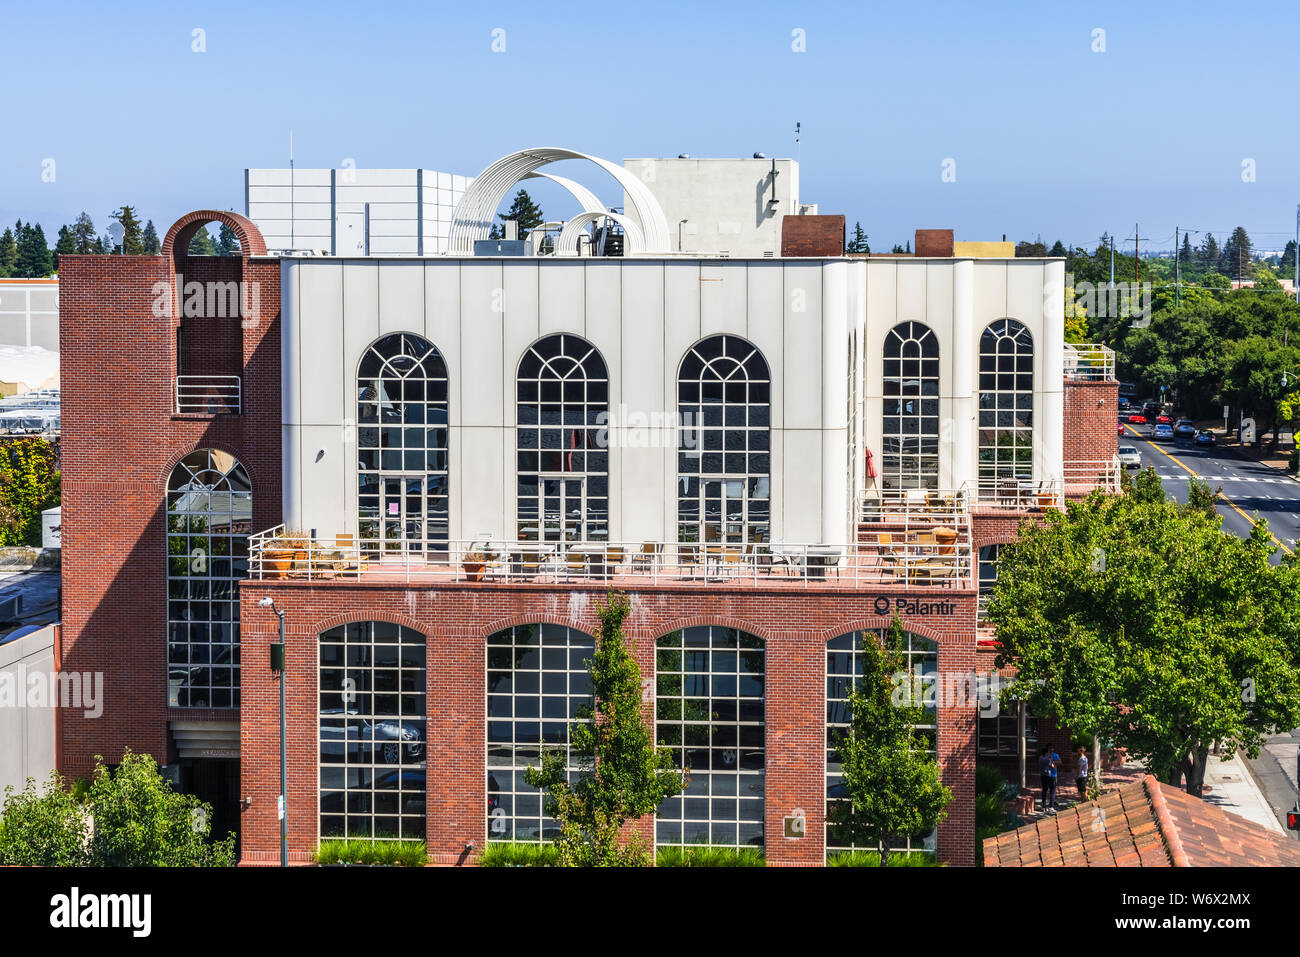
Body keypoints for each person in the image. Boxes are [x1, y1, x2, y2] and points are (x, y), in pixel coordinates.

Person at [1038, 746, 1053, 812]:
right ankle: (1047, 805)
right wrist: (1051, 758)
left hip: (1042, 775)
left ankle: (1043, 805)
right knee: (1049, 789)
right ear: (1046, 752)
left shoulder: (1040, 758)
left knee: (1044, 790)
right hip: (1047, 775)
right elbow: (1052, 766)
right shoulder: (1047, 759)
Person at [1047, 746, 1061, 811]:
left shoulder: (1055, 755)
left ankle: (1051, 803)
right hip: (1048, 775)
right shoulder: (1046, 756)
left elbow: (1060, 762)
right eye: (1050, 748)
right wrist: (1053, 762)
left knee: (1052, 790)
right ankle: (1051, 805)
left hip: (1053, 775)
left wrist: (1054, 762)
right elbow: (1053, 766)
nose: (1051, 749)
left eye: (1052, 748)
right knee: (1051, 790)